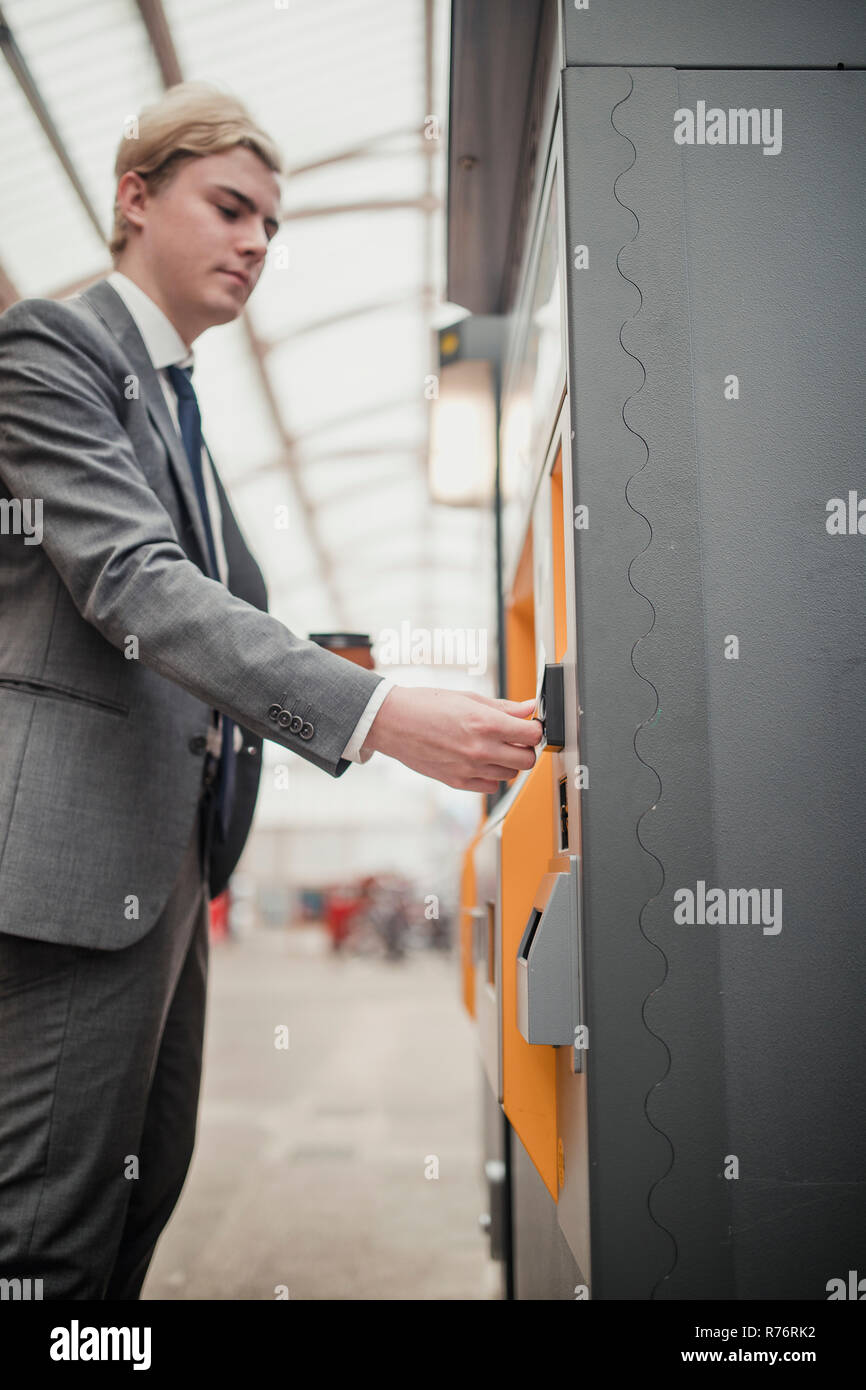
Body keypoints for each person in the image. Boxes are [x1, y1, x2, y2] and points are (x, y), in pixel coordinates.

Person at [0, 81, 541, 1300]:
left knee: (133, 1204)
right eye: (230, 207)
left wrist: (382, 679)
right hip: (78, 873)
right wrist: (379, 717)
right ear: (134, 199)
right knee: (48, 1235)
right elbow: (135, 586)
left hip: (167, 874)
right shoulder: (49, 351)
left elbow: (225, 612)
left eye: (272, 226)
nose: (255, 243)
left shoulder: (178, 409)